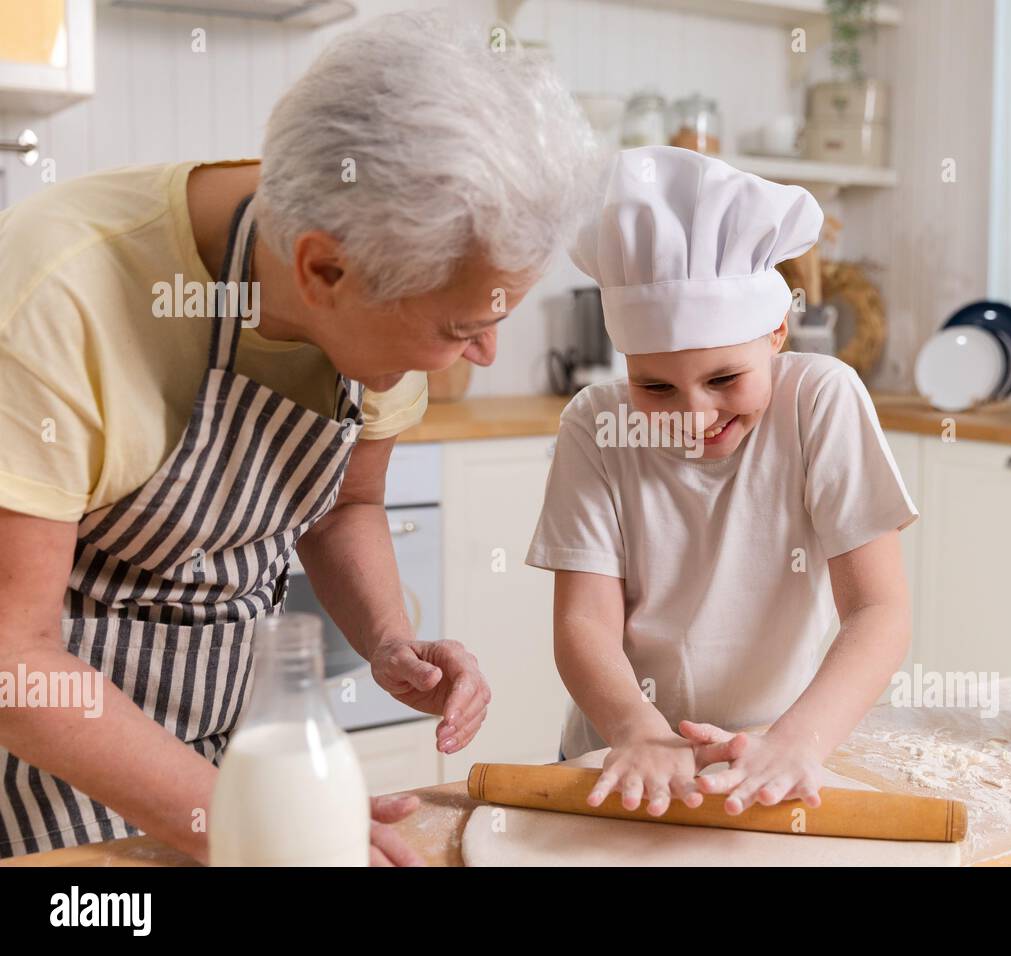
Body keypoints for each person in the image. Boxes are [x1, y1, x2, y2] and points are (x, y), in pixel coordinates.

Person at [0, 10, 599, 862]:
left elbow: (343, 505)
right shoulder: (56, 298)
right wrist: (248, 825)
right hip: (42, 769)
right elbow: (13, 664)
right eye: (463, 325)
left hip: (240, 746)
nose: (486, 352)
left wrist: (390, 639)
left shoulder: (386, 266)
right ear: (323, 269)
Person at [527, 146, 917, 816]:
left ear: (776, 335)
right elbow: (584, 622)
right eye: (655, 386)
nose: (694, 414)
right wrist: (638, 731)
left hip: (774, 758)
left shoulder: (820, 401)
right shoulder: (595, 424)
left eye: (723, 380)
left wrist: (798, 742)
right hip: (622, 757)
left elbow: (878, 610)